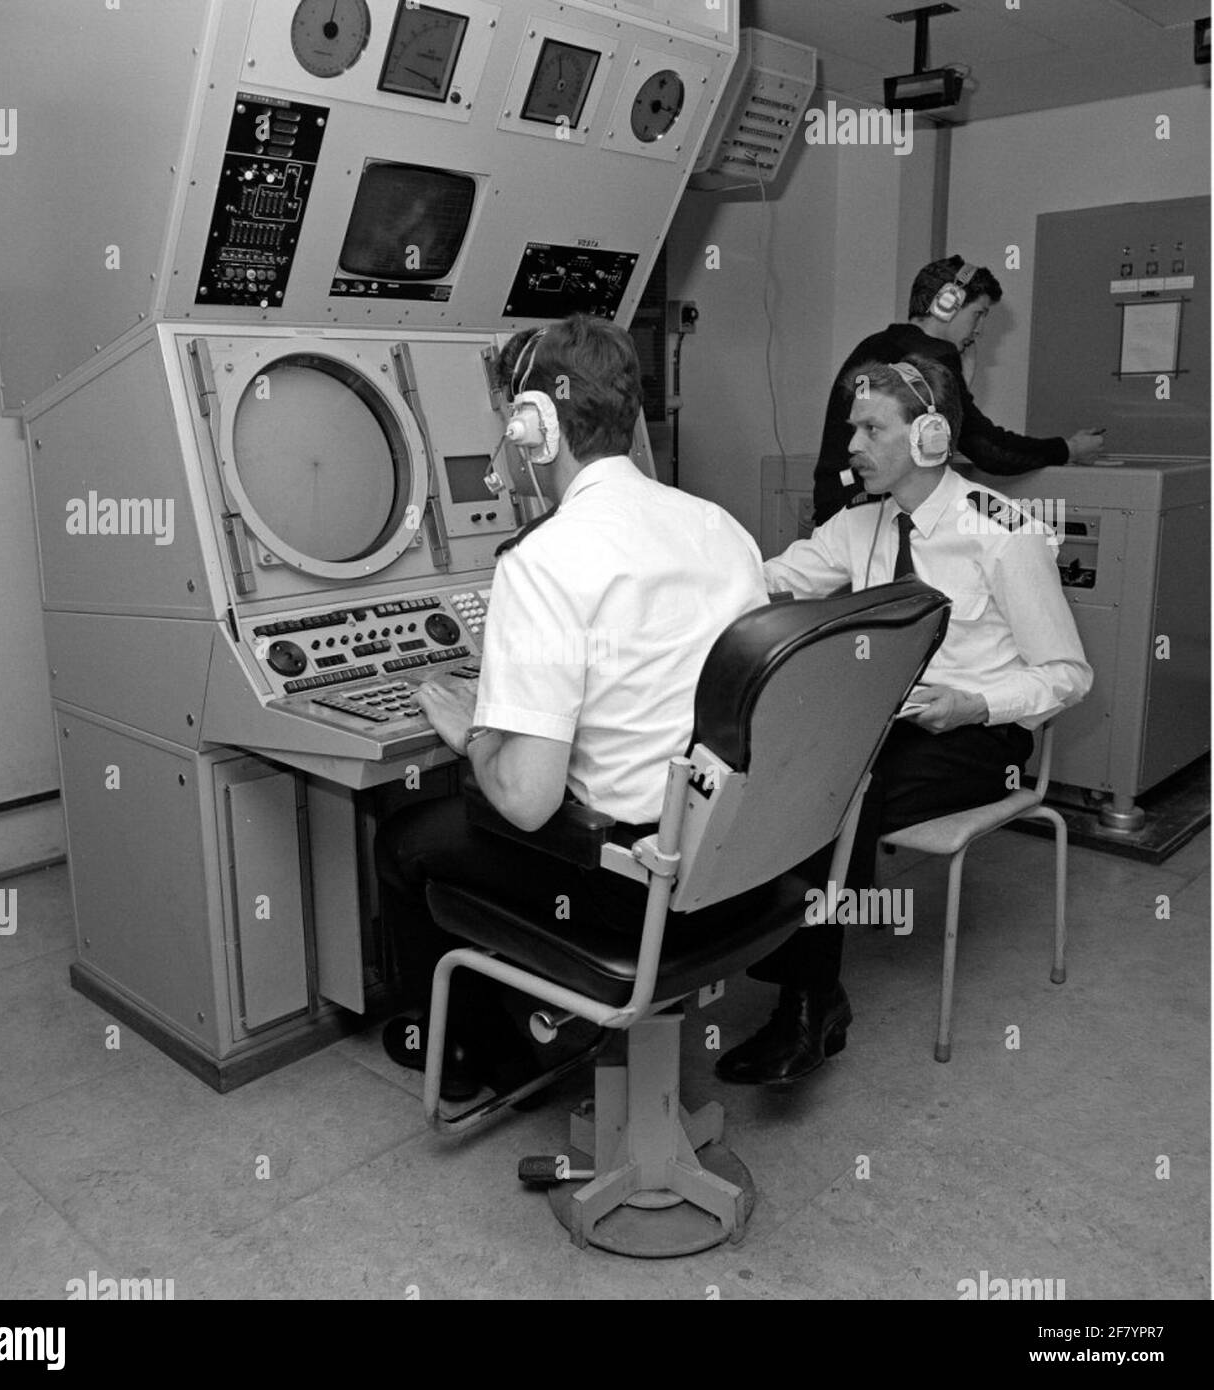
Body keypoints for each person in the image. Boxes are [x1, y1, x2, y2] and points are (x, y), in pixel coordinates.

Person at [375, 313, 777, 1100]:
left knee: (404, 836)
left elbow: (528, 803)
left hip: (630, 891)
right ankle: (541, 1015)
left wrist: (474, 734)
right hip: (741, 870)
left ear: (536, 428)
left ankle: (472, 1056)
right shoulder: (720, 528)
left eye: (509, 426)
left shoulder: (546, 559)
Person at [716, 354, 1093, 1088]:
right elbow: (770, 577)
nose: (850, 445)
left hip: (980, 735)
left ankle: (809, 1001)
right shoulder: (858, 525)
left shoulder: (1002, 533)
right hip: (886, 724)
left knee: (848, 785)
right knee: (788, 757)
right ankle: (785, 939)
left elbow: (1068, 675)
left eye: (869, 428)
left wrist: (973, 705)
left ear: (928, 435)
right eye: (852, 427)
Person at [812, 255, 1106, 526]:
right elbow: (990, 450)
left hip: (837, 508)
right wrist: (1069, 449)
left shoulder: (875, 345)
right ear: (947, 303)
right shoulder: (933, 355)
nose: (979, 330)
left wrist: (957, 385)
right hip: (874, 519)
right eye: (979, 313)